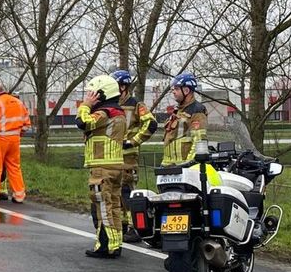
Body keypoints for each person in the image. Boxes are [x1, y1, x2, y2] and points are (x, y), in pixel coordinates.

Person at [77, 75, 127, 258]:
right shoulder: (119, 112)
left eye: (94, 94)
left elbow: (82, 122)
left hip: (102, 167)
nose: (91, 97)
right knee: (113, 206)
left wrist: (86, 105)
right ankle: (116, 243)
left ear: (103, 94)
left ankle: (105, 246)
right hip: (115, 166)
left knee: (102, 207)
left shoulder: (104, 112)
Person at [111, 70, 158, 243]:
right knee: (116, 191)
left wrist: (133, 141)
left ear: (123, 86)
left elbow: (151, 123)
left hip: (128, 156)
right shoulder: (112, 104)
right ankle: (123, 224)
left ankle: (134, 227)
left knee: (128, 191)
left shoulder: (136, 105)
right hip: (112, 156)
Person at [0, 82, 30, 204]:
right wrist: (18, 133)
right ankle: (19, 195)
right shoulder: (18, 102)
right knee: (14, 167)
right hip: (15, 139)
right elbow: (26, 124)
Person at [161, 72, 207, 165]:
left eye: (176, 89)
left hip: (183, 168)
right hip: (168, 167)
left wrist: (189, 164)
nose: (173, 91)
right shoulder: (178, 111)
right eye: (173, 89)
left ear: (186, 90)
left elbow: (198, 140)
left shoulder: (197, 110)